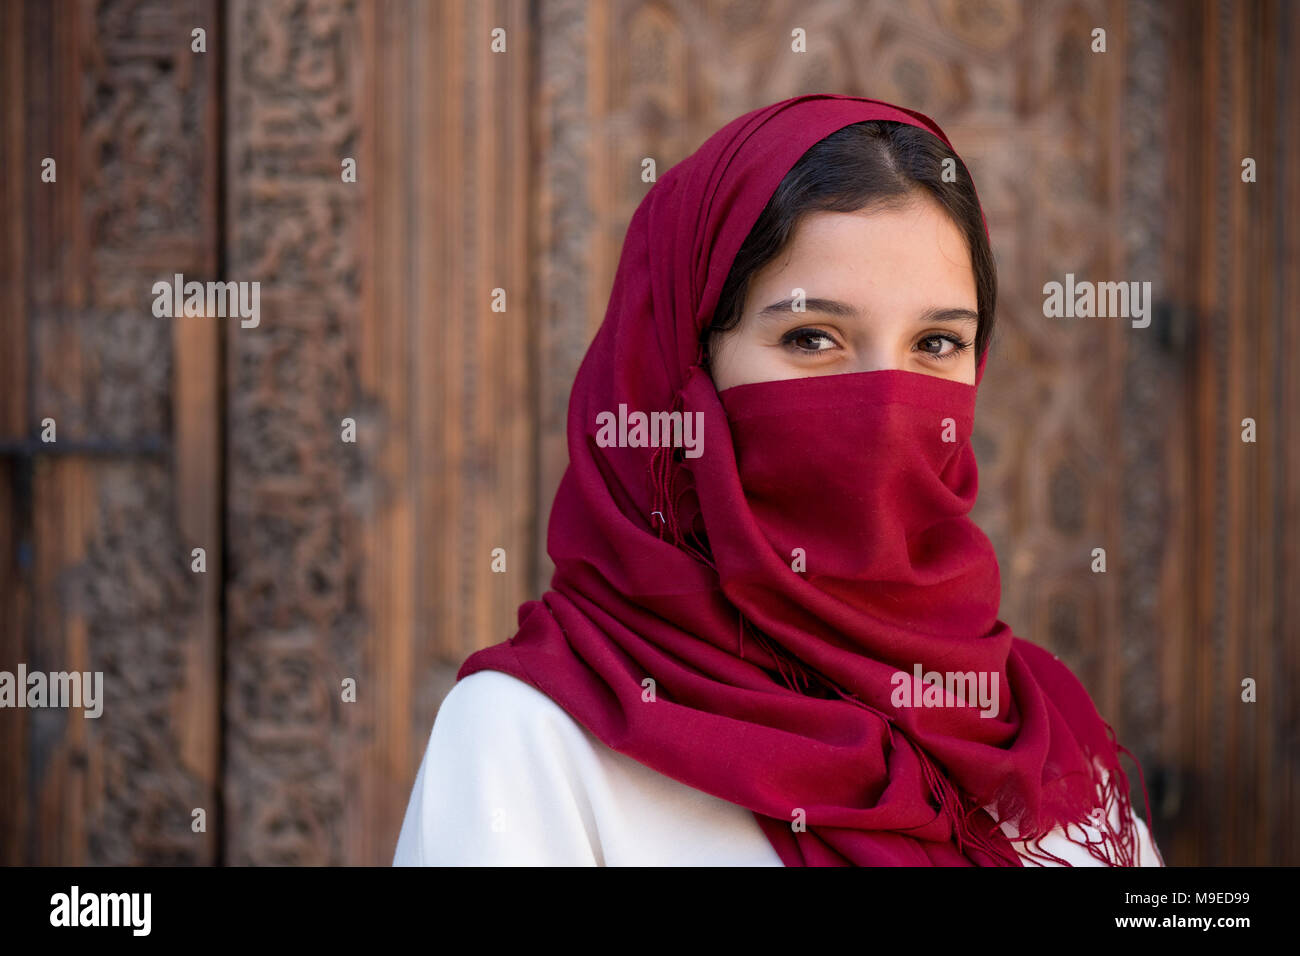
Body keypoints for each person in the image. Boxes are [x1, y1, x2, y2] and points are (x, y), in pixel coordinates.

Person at [393, 94, 1164, 866]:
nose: (888, 404)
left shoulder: (1032, 728)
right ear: (679, 369)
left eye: (936, 341)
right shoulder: (530, 738)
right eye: (812, 336)